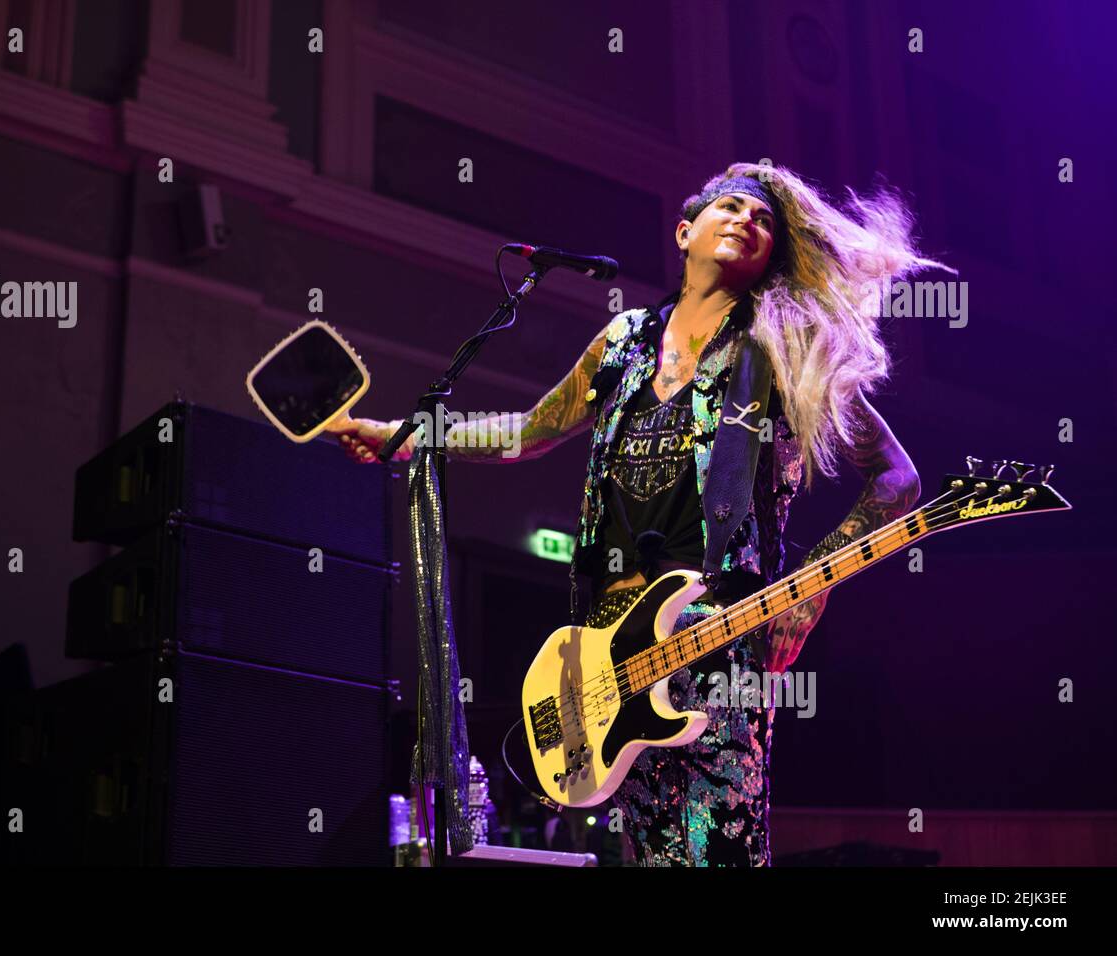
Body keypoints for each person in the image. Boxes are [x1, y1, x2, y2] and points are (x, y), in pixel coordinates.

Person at [327, 161, 945, 866]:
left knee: (719, 852)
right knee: (642, 855)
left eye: (766, 220)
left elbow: (897, 478)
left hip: (718, 634)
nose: (749, 221)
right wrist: (405, 439)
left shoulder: (779, 344)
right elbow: (529, 432)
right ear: (685, 232)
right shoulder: (621, 340)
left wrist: (811, 591)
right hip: (607, 648)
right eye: (733, 207)